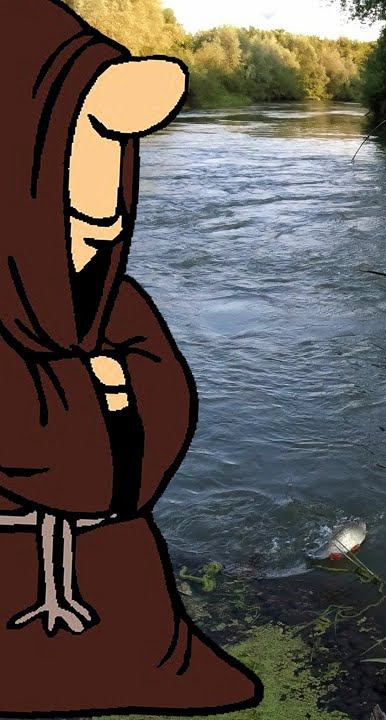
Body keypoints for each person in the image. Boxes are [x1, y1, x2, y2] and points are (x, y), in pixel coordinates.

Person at [0, 0, 261, 713]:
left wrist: (77, 395)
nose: (108, 211)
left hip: (116, 590)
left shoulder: (118, 295)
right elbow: (62, 457)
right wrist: (104, 388)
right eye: (85, 142)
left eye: (117, 148)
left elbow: (162, 419)